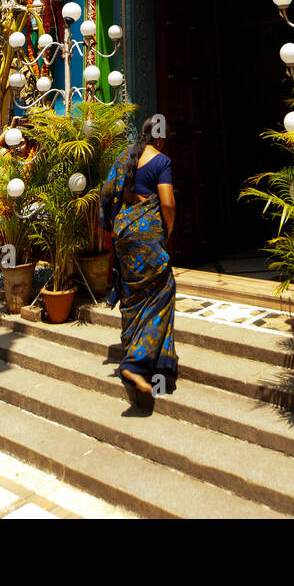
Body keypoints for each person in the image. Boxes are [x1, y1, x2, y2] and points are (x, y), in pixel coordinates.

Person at [100, 118, 177, 404]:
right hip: (147, 236)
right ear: (160, 137)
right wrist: (168, 231)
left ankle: (142, 354)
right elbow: (167, 202)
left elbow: (105, 195)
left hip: (123, 234)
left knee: (133, 294)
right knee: (162, 293)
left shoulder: (123, 158)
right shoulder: (161, 161)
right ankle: (135, 363)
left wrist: (113, 227)